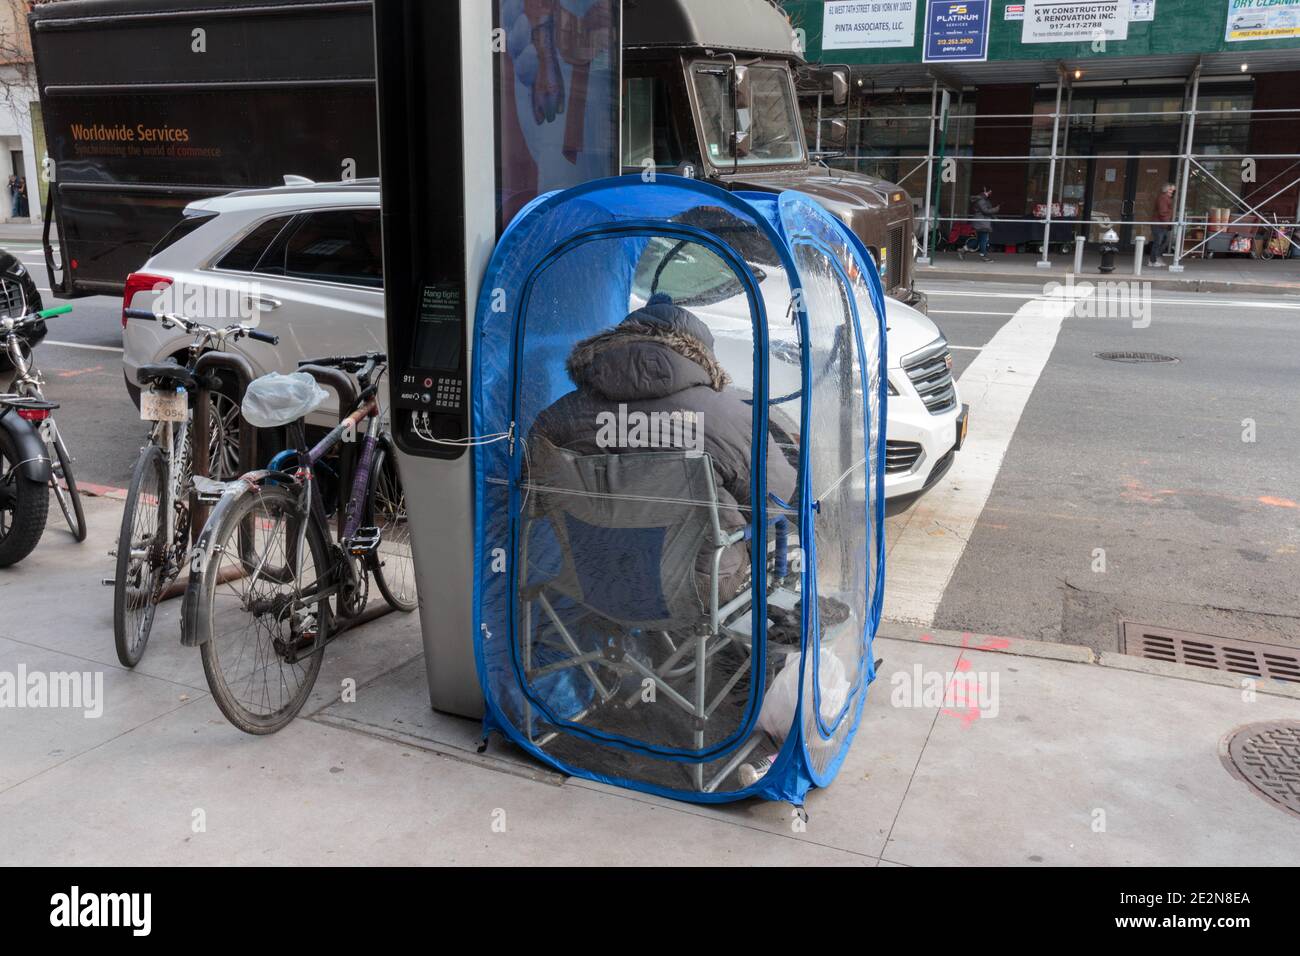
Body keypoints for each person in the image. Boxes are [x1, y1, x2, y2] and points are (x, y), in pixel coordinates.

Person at [531, 292, 798, 604]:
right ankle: (734, 651)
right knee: (779, 533)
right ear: (700, 355)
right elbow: (774, 501)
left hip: (591, 581)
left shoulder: (559, 417)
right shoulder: (732, 417)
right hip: (698, 590)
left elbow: (532, 497)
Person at [960, 187, 999, 262]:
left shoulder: (983, 200)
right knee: (983, 240)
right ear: (983, 192)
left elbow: (988, 210)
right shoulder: (981, 200)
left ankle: (963, 249)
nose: (990, 193)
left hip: (981, 223)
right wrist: (996, 209)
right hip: (982, 223)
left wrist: (995, 217)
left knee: (979, 240)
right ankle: (984, 256)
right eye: (988, 192)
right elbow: (986, 211)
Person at [1149, 182, 1176, 268]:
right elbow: (1163, 212)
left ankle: (1157, 258)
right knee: (1159, 241)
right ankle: (1152, 261)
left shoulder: (1166, 198)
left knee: (1163, 241)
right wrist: (1167, 223)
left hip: (1162, 223)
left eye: (1173, 190)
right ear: (1166, 190)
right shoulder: (1163, 198)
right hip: (1159, 224)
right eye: (1170, 189)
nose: (1172, 191)